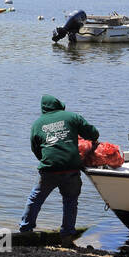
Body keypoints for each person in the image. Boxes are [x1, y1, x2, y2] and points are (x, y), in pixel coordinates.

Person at [19, 94, 99, 237]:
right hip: (71, 167)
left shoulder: (37, 124)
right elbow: (93, 134)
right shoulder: (72, 117)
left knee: (35, 198)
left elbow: (35, 149)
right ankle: (67, 234)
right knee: (70, 201)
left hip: (49, 169)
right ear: (59, 105)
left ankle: (25, 230)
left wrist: (49, 160)